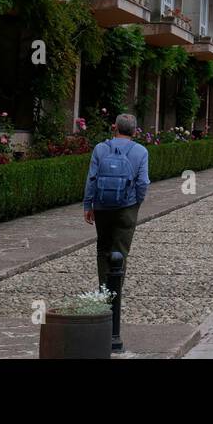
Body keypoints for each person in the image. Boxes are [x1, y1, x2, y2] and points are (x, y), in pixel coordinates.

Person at [83, 113, 150, 293]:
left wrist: (88, 205)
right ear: (135, 131)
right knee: (120, 250)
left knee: (103, 248)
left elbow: (91, 179)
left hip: (102, 206)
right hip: (127, 207)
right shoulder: (140, 151)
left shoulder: (100, 149)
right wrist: (137, 201)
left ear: (115, 127)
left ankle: (103, 289)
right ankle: (115, 293)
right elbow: (143, 182)